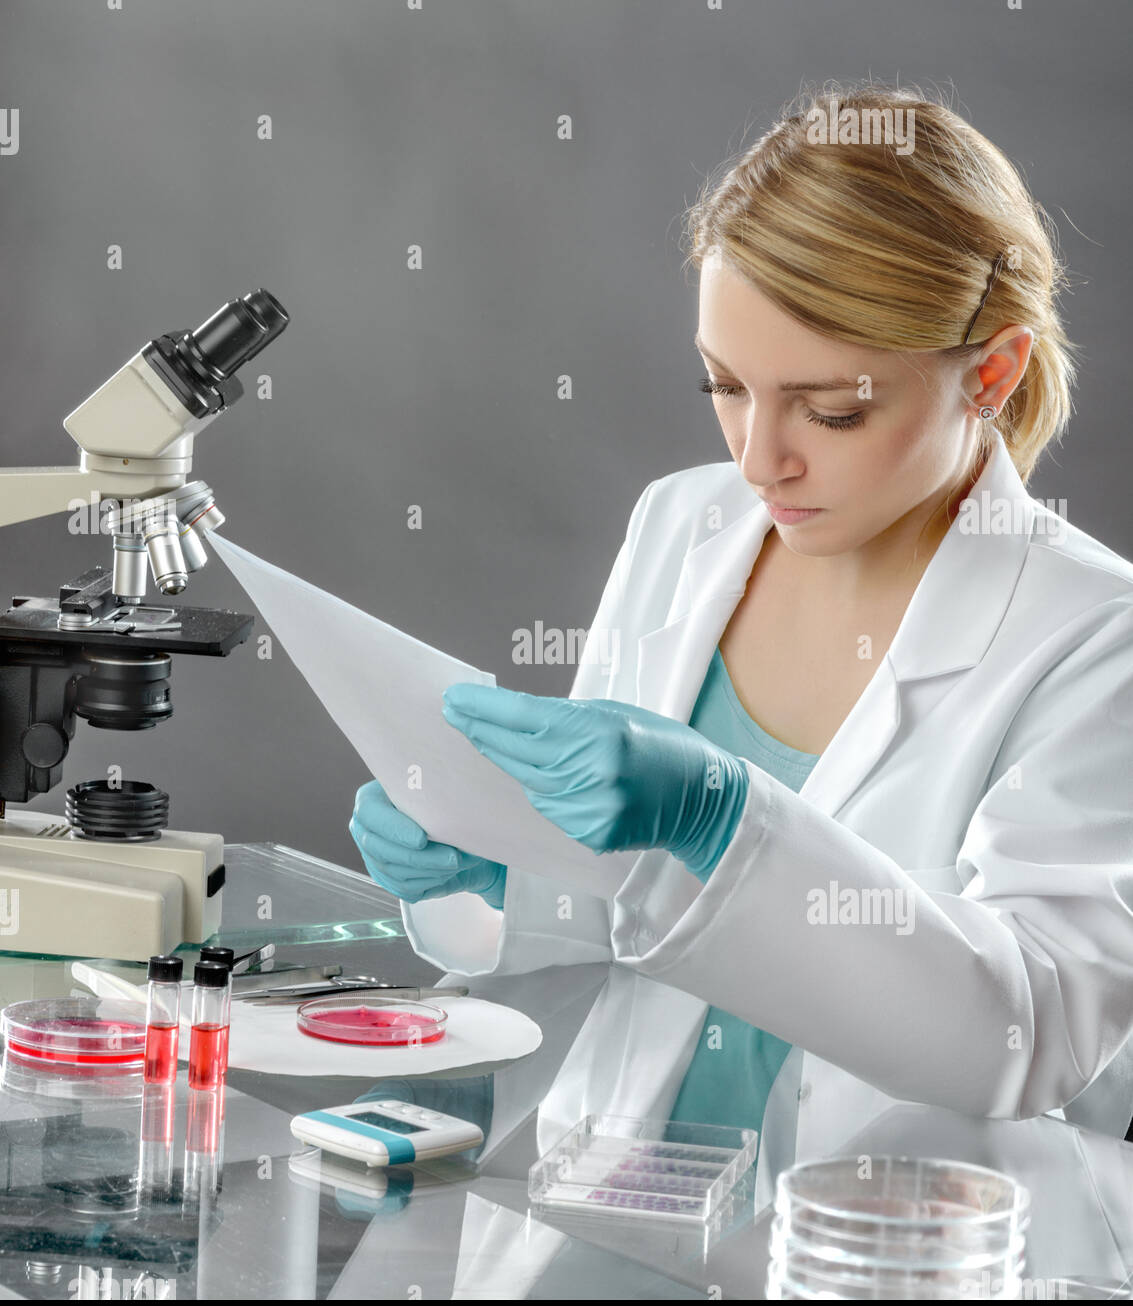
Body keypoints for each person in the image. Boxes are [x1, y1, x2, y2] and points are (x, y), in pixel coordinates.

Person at [349, 82, 1133, 1160]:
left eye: (832, 409)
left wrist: (728, 822)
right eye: (723, 387)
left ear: (989, 373)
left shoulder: (1096, 637)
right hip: (614, 1214)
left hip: (890, 1246)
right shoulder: (682, 525)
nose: (760, 457)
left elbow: (1029, 1033)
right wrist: (497, 871)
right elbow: (615, 914)